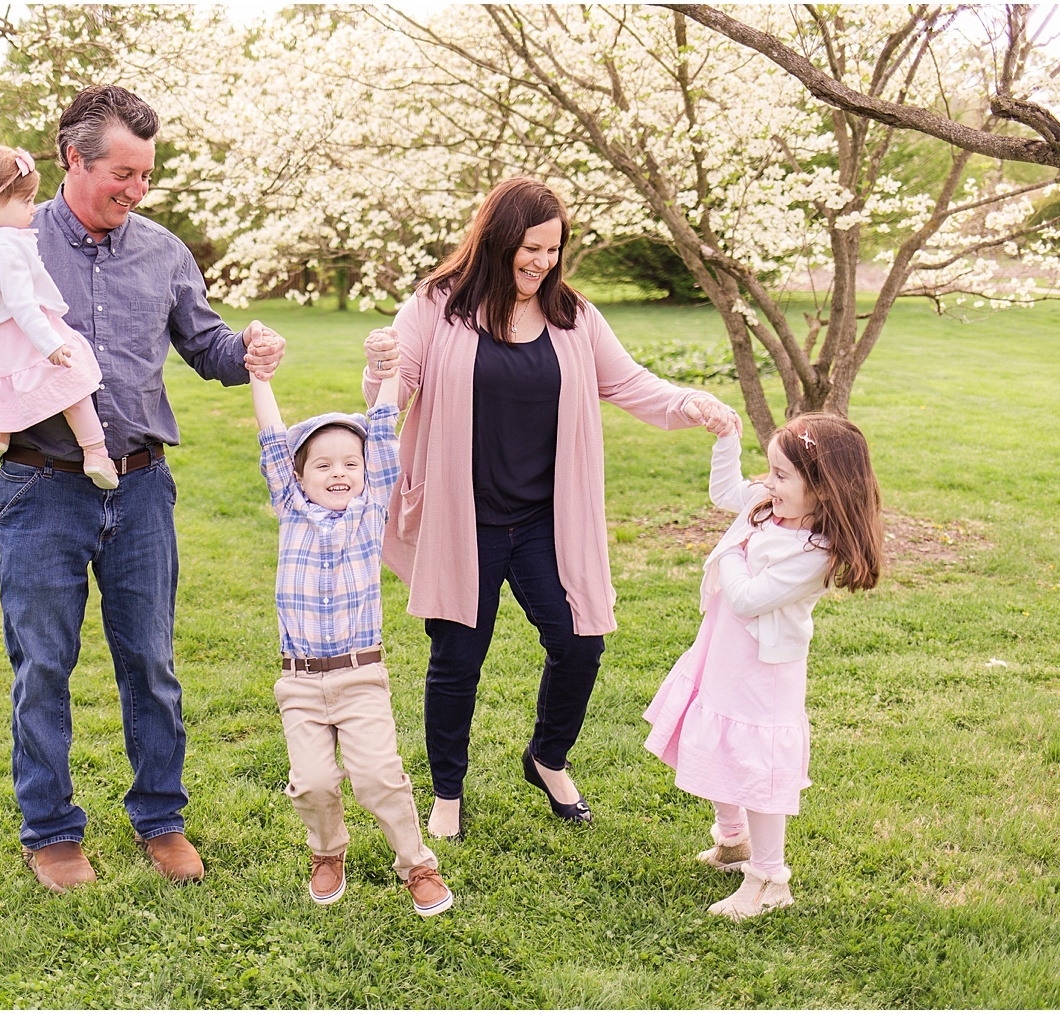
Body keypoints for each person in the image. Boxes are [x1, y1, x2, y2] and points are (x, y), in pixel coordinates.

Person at [0, 85, 287, 892]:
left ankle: (160, 817)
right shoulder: (3, 242)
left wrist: (251, 348)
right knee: (43, 666)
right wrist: (6, 401)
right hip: (40, 486)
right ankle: (51, 831)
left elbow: (208, 345)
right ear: (71, 160)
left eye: (146, 175)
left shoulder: (162, 251)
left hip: (141, 488)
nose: (136, 190)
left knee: (151, 664)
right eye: (121, 173)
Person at [362, 177, 739, 839]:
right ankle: (447, 794)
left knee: (579, 643)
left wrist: (689, 403)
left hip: (544, 521)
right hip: (462, 519)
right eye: (529, 248)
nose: (541, 262)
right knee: (457, 659)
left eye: (553, 250)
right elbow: (394, 395)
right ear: (498, 240)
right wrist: (380, 371)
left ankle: (547, 757)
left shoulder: (573, 317)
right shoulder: (436, 306)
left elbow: (629, 384)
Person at [643, 414, 882, 920]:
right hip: (723, 651)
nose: (766, 484)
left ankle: (770, 879)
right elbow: (725, 490)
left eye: (780, 475)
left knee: (755, 763)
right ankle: (732, 841)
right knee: (719, 744)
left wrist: (730, 547)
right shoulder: (768, 507)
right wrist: (726, 438)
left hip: (764, 673)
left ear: (822, 487)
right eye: (769, 472)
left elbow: (750, 598)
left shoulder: (815, 552)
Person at [250, 360, 454, 918]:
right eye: (323, 464)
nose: (339, 472)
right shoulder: (291, 511)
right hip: (300, 682)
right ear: (299, 476)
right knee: (312, 782)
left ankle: (416, 864)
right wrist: (259, 377)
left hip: (361, 676)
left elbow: (384, 429)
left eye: (350, 463)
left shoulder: (370, 513)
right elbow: (271, 439)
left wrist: (389, 371)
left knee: (380, 777)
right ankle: (327, 852)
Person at [0, 143, 118, 489]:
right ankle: (96, 453)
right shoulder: (3, 245)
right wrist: (50, 344)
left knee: (2, 383)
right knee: (72, 387)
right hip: (21, 332)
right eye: (26, 202)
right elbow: (21, 302)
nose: (33, 209)